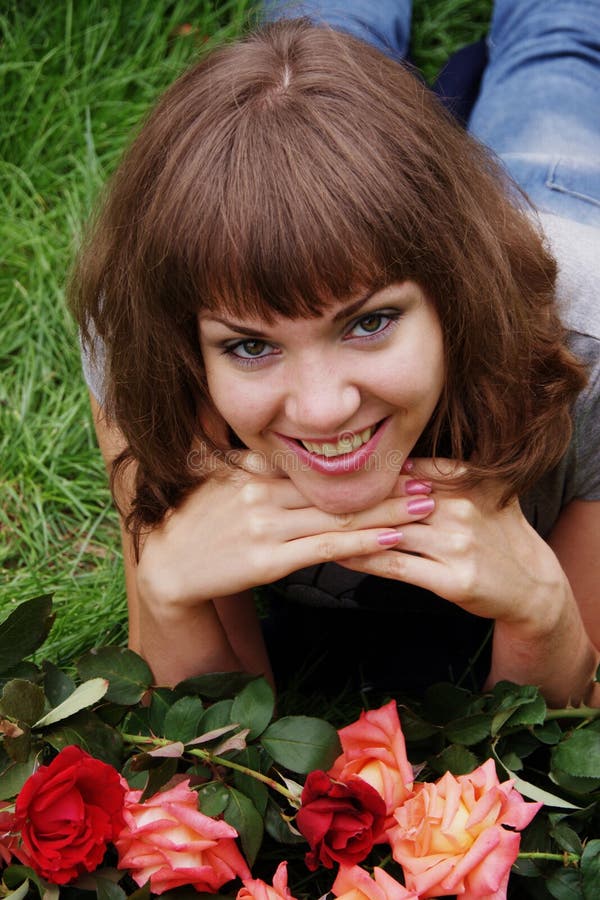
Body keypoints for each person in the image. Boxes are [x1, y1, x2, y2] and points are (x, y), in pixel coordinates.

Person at [70, 0, 600, 707]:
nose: (323, 409)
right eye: (251, 345)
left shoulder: (587, 352)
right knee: (310, 52)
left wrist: (545, 609)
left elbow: (570, 728)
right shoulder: (144, 345)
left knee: (557, 43)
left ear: (451, 299)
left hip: (551, 207)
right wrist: (169, 599)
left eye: (370, 322)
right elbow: (202, 748)